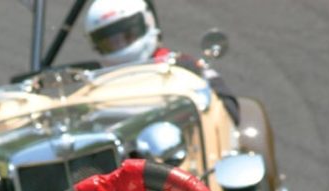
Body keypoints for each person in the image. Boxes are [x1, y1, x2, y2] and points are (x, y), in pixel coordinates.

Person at [83, 0, 240, 123]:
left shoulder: (183, 66)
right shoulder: (94, 85)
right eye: (109, 42)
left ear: (147, 22)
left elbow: (229, 109)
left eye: (127, 36)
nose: (119, 45)